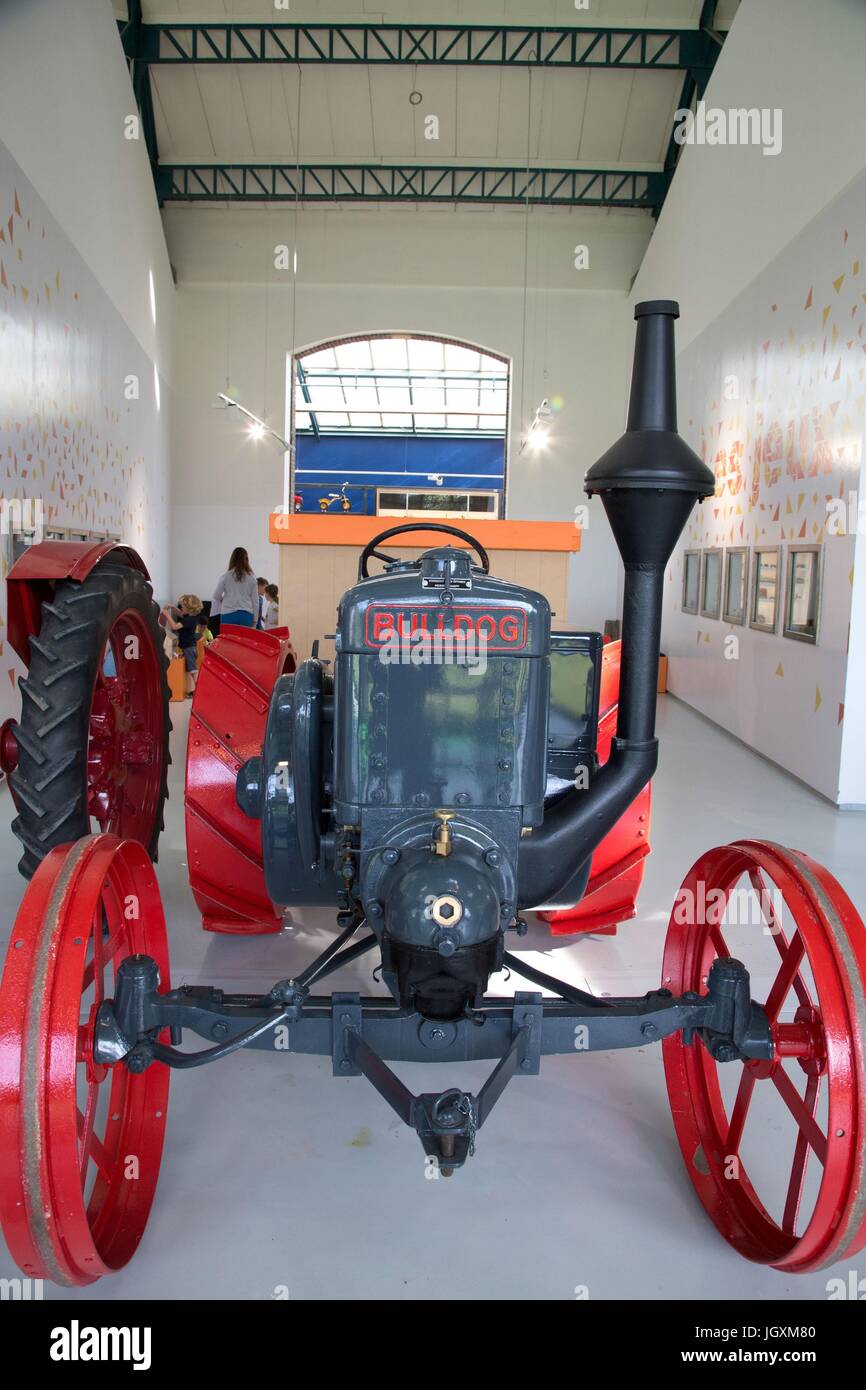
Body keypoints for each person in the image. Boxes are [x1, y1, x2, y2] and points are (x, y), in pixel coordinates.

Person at [162, 594, 205, 697]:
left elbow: (174, 626)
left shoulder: (188, 620)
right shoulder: (190, 617)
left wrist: (166, 614)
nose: (181, 608)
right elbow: (181, 613)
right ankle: (197, 689)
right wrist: (172, 607)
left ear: (189, 609)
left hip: (189, 648)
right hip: (188, 647)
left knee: (193, 670)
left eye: (183, 606)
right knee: (191, 669)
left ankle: (200, 691)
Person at [212, 548, 259, 628]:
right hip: (246, 615)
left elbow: (216, 596)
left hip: (228, 614)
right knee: (244, 640)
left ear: (232, 559)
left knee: (228, 640)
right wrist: (255, 620)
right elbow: (255, 601)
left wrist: (224, 599)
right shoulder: (252, 578)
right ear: (246, 559)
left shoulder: (225, 576)